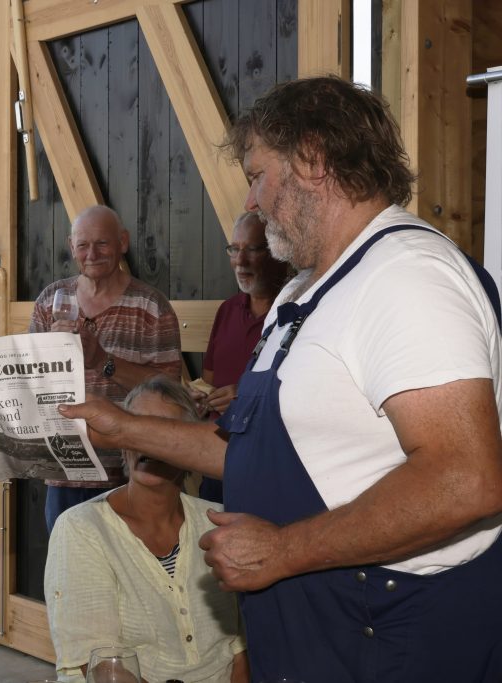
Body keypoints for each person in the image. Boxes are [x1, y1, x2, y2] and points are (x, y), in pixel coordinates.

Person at [59, 76, 502, 682]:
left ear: (313, 160)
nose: (250, 201)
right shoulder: (307, 289)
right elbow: (251, 453)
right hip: (315, 623)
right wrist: (121, 426)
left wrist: (285, 550)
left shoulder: (407, 279)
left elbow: (465, 480)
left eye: (256, 174)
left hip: (390, 630)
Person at [45, 376, 248, 683]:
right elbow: (99, 663)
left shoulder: (218, 522)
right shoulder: (82, 528)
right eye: (136, 426)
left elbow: (238, 649)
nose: (145, 443)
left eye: (160, 430)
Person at [29, 205, 181, 533]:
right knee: (67, 575)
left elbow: (170, 394)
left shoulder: (152, 306)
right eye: (83, 245)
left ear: (122, 242)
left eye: (102, 244)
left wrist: (101, 361)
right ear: (71, 247)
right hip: (65, 470)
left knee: (127, 577)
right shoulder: (49, 301)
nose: (92, 254)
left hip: (128, 473)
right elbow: (31, 383)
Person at [195, 211, 287, 502]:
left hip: (271, 466)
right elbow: (209, 384)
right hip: (218, 462)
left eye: (253, 249)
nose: (240, 261)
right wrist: (198, 400)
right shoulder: (227, 310)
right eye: (235, 249)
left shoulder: (296, 312)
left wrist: (247, 398)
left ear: (279, 251)